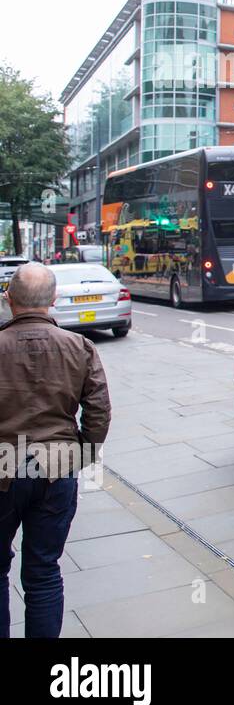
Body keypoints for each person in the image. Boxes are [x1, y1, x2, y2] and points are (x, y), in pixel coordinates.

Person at [0, 263, 111, 637]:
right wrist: (80, 456)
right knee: (44, 571)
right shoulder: (79, 347)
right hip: (55, 468)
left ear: (9, 299)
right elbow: (98, 411)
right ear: (53, 300)